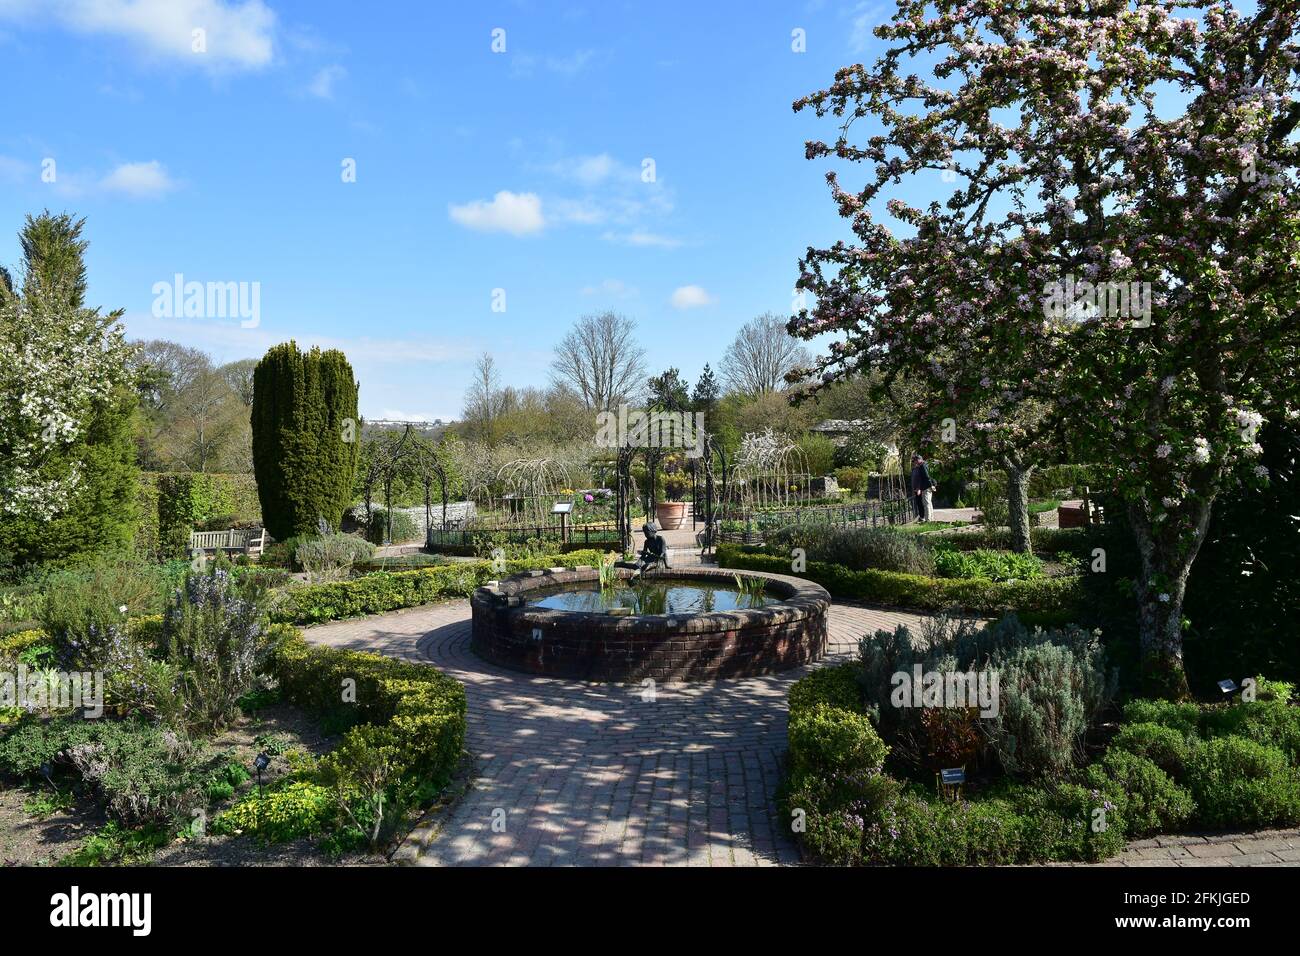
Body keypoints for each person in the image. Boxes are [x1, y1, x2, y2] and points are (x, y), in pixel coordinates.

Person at [911, 453, 935, 522]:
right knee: (928, 503)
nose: (915, 462)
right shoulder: (924, 465)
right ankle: (931, 519)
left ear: (919, 459)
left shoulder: (923, 466)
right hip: (926, 486)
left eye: (915, 461)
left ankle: (928, 520)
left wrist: (931, 485)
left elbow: (927, 476)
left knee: (926, 503)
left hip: (926, 487)